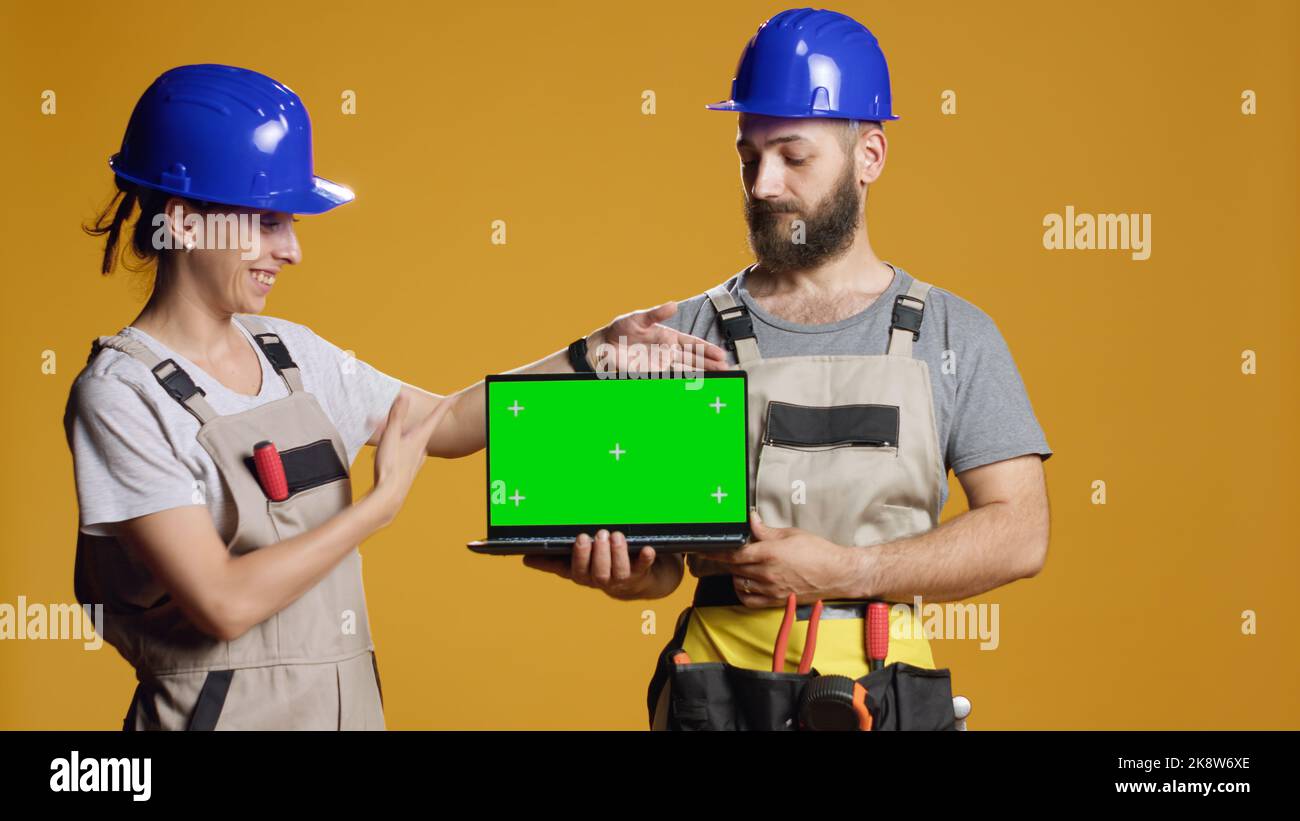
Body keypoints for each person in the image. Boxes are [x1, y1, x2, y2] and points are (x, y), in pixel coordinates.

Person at [67, 63, 726, 730]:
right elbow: (223, 601)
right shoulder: (121, 397)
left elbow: (444, 421)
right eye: (266, 221)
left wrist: (590, 354)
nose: (291, 249)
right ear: (182, 219)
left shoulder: (288, 352)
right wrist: (377, 507)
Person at [520, 9, 1054, 730]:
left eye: (792, 156)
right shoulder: (689, 333)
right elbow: (665, 566)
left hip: (885, 696)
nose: (763, 183)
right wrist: (625, 571)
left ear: (870, 155)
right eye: (748, 157)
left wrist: (849, 572)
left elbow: (1021, 531)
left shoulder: (953, 332)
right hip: (716, 696)